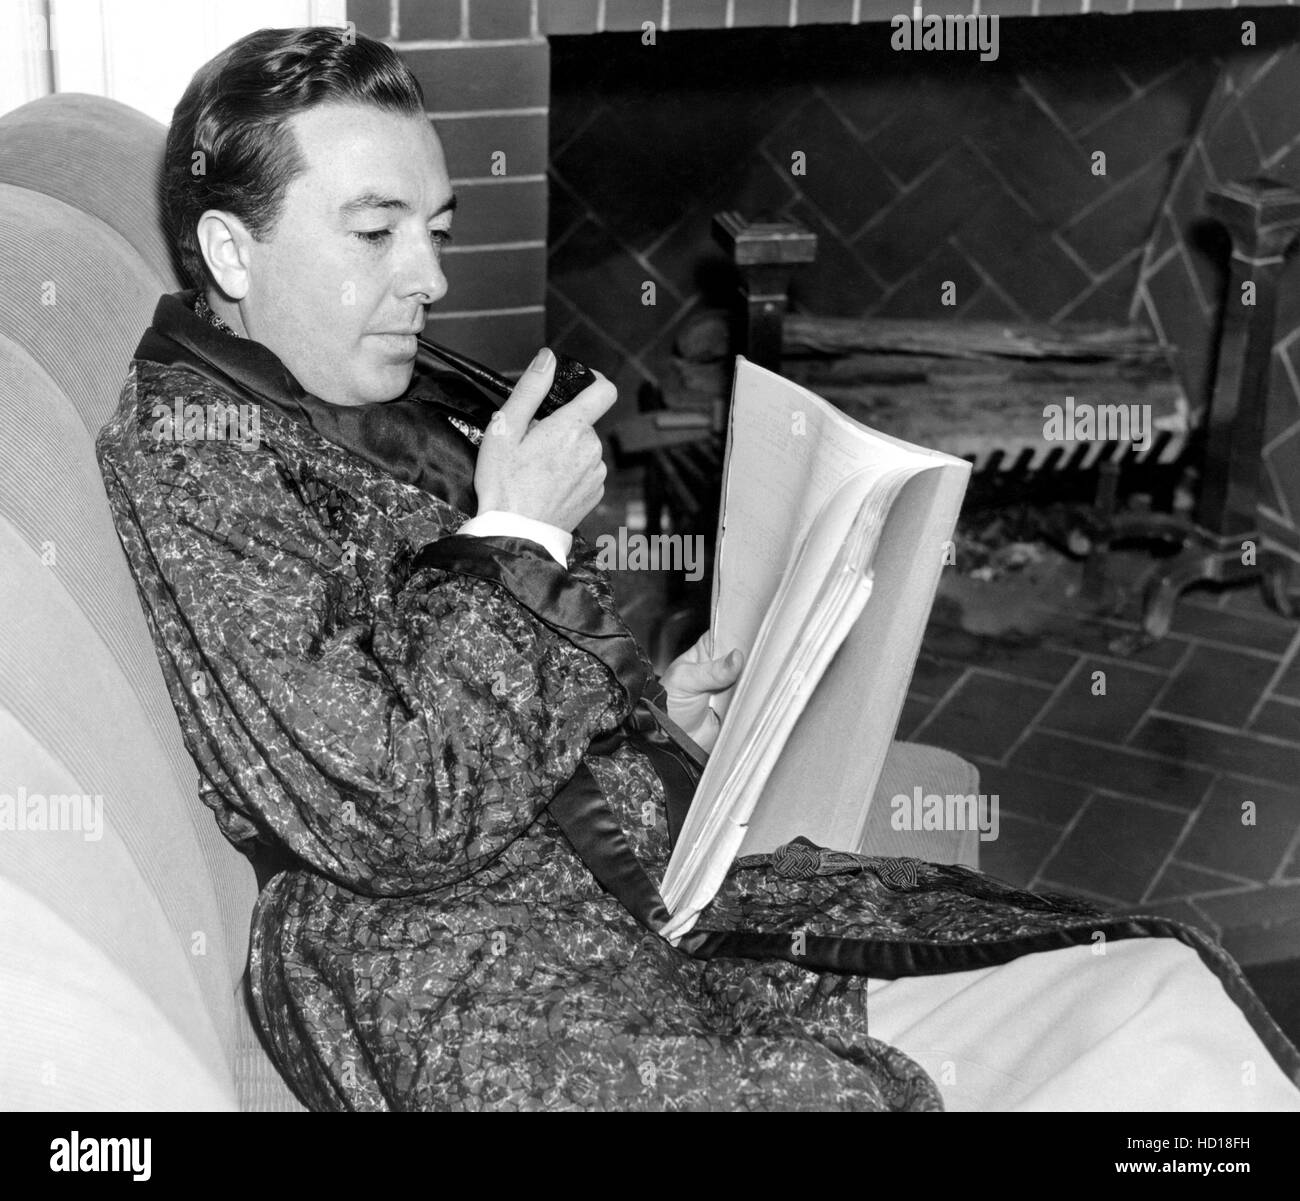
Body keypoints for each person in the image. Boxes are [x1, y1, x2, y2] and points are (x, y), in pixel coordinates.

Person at [96, 26, 1300, 1111]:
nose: (432, 276)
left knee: (1152, 986)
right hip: (459, 961)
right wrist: (520, 538)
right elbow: (388, 809)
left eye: (438, 229)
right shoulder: (192, 456)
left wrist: (645, 701)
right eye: (375, 231)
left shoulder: (346, 389)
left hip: (630, 891)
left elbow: (435, 674)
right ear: (230, 252)